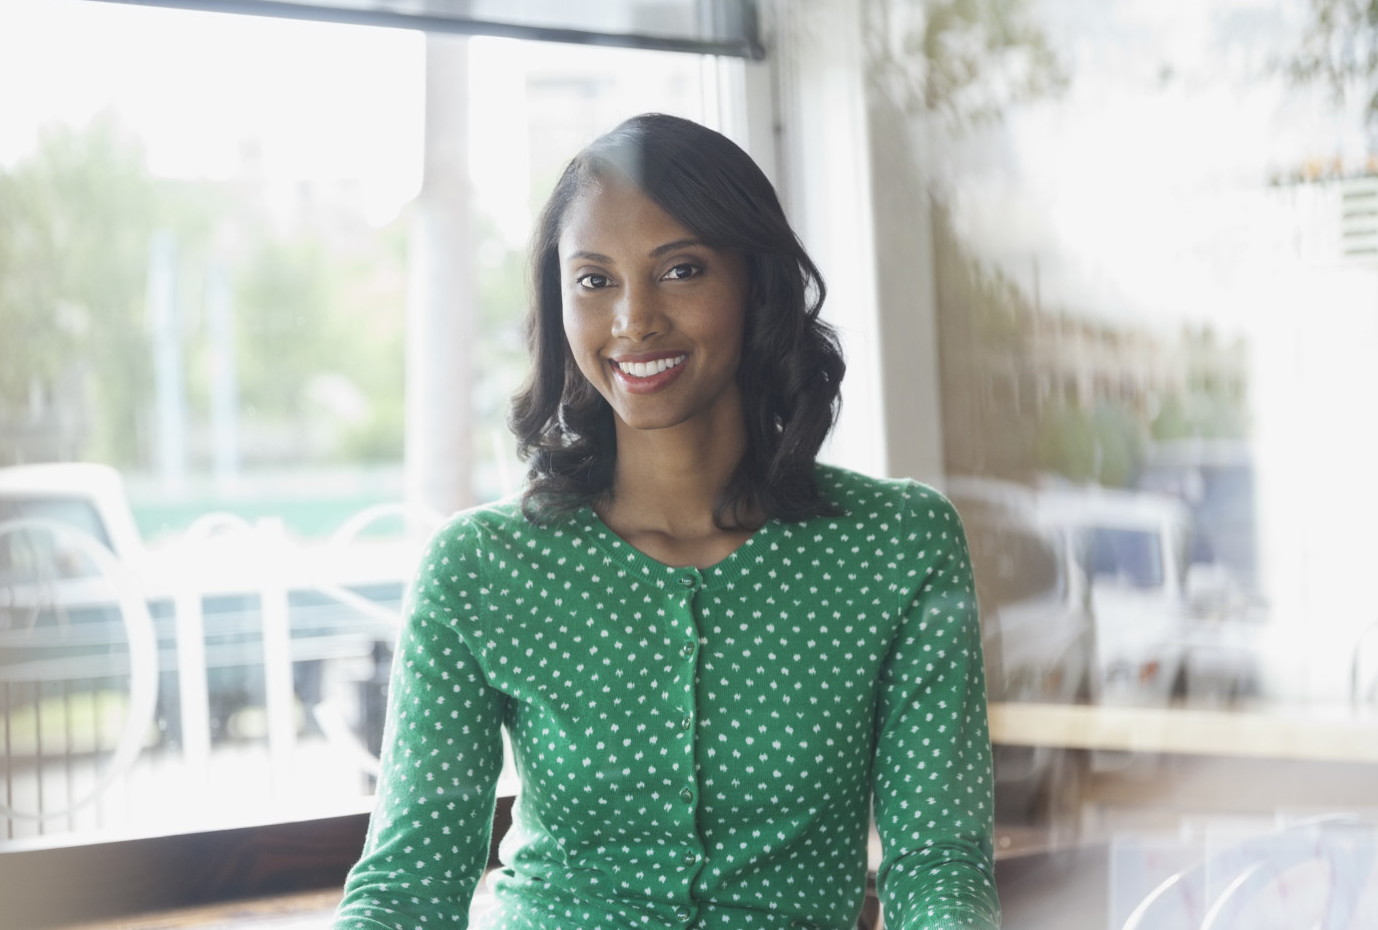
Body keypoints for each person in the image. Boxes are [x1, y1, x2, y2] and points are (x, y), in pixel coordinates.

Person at [334, 114, 999, 930]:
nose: (633, 320)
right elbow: (405, 891)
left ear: (757, 284)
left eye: (680, 270)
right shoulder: (481, 566)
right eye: (594, 280)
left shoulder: (897, 546)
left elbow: (939, 869)